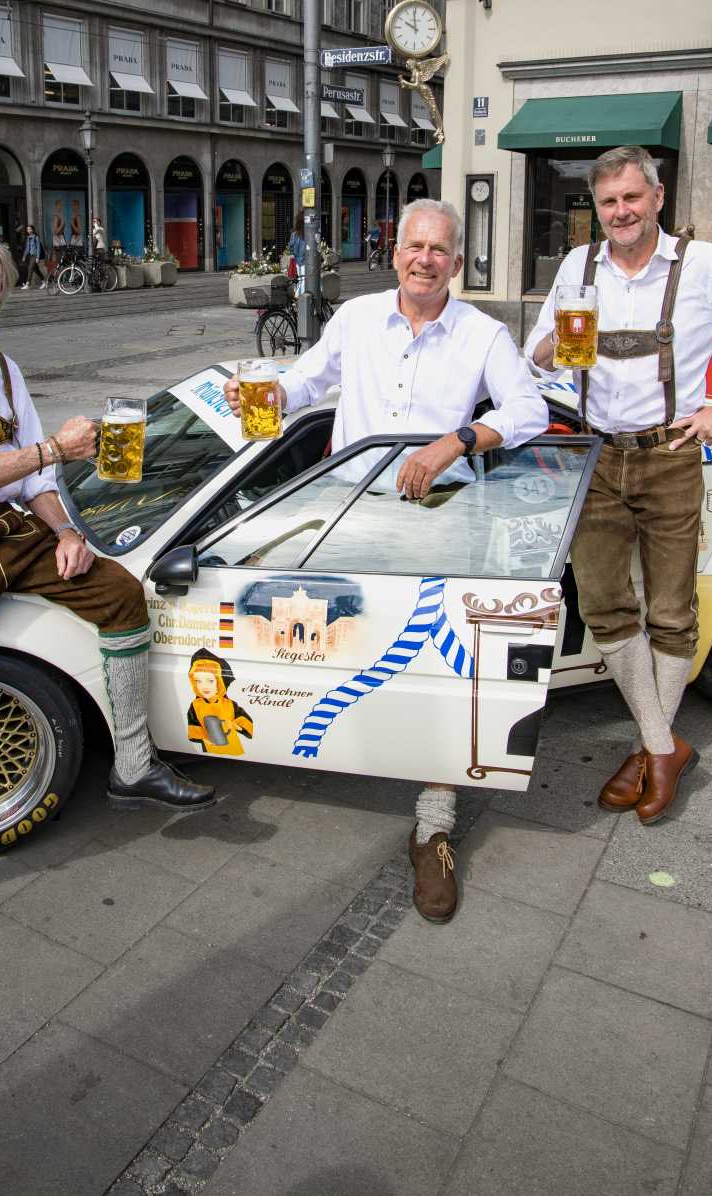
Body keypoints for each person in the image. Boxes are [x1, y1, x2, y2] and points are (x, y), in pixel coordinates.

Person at [0, 232, 214, 971]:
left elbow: (25, 484)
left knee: (116, 590)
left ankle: (133, 765)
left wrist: (63, 531)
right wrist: (56, 448)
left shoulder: (4, 366)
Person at [225, 198, 548, 924]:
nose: (425, 259)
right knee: (341, 641)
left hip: (442, 517)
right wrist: (265, 391)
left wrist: (457, 441)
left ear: (456, 263)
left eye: (439, 249)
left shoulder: (483, 333)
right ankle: (338, 750)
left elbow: (529, 411)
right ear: (394, 251)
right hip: (354, 515)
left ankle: (433, 825)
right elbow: (304, 384)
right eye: (414, 246)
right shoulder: (357, 318)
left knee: (444, 664)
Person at [526, 146, 712, 824]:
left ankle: (650, 752)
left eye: (631, 198)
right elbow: (535, 356)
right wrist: (558, 344)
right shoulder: (576, 265)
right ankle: (661, 747)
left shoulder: (703, 266)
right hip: (596, 453)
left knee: (672, 611)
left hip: (671, 453)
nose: (619, 212)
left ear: (657, 197)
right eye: (607, 201)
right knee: (606, 607)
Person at [20, 225, 47, 289]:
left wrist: (37, 257)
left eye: (29, 229)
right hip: (31, 256)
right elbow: (27, 248)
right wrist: (24, 256)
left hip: (35, 256)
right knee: (36, 270)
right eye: (27, 229)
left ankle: (27, 284)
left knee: (30, 268)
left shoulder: (36, 238)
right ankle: (44, 282)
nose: (28, 230)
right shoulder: (28, 238)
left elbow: (38, 248)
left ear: (32, 230)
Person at [287, 211, 306, 296]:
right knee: (304, 281)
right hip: (305, 261)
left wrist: (295, 254)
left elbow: (290, 247)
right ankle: (298, 299)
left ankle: (297, 298)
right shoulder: (307, 234)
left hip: (298, 261)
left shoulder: (294, 234)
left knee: (300, 280)